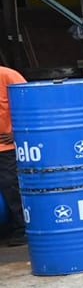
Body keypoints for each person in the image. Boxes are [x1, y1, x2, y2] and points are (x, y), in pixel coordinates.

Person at [0, 59, 27, 244]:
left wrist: (17, 131)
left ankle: (22, 227)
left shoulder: (8, 75)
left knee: (10, 185)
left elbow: (29, 102)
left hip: (6, 147)